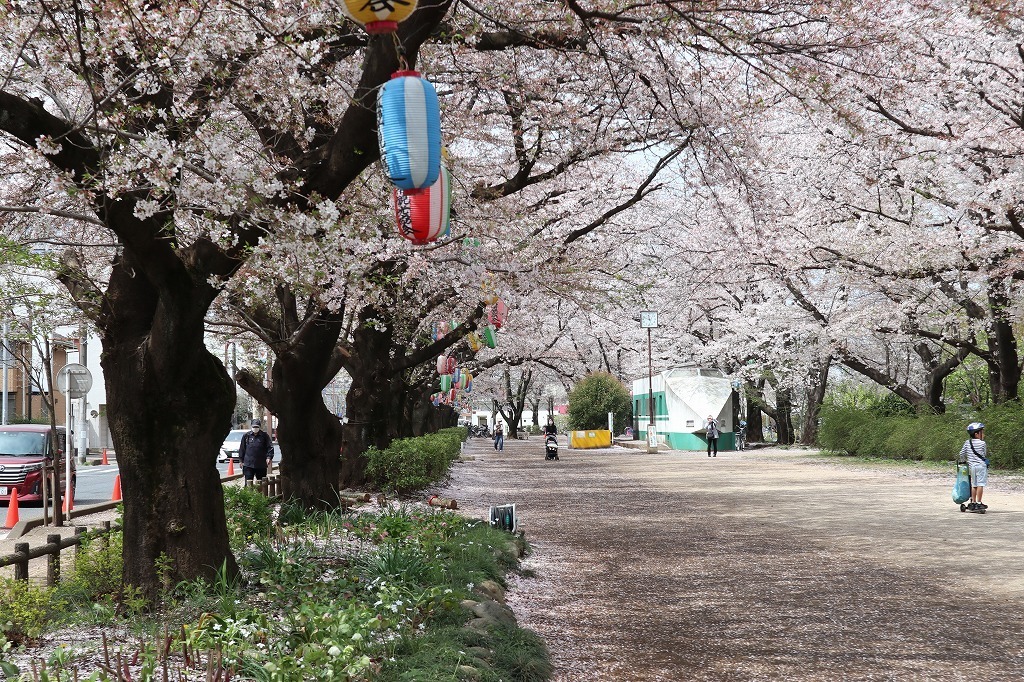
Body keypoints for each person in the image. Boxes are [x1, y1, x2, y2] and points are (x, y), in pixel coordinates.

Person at [959, 422, 989, 513]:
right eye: (982, 432)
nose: (983, 434)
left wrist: (963, 460)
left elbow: (961, 454)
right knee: (980, 484)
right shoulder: (982, 443)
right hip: (981, 466)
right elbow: (984, 454)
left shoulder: (967, 442)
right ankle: (979, 503)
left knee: (974, 484)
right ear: (976, 434)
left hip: (972, 467)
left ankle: (973, 502)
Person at [239, 418, 274, 484]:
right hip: (248, 464)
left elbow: (270, 447)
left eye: (257, 427)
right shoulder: (246, 436)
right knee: (248, 482)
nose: (255, 428)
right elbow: (242, 449)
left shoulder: (264, 436)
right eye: (254, 427)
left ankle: (260, 494)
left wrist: (269, 457)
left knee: (261, 483)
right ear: (251, 426)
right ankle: (248, 494)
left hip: (261, 464)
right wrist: (241, 460)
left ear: (259, 427)